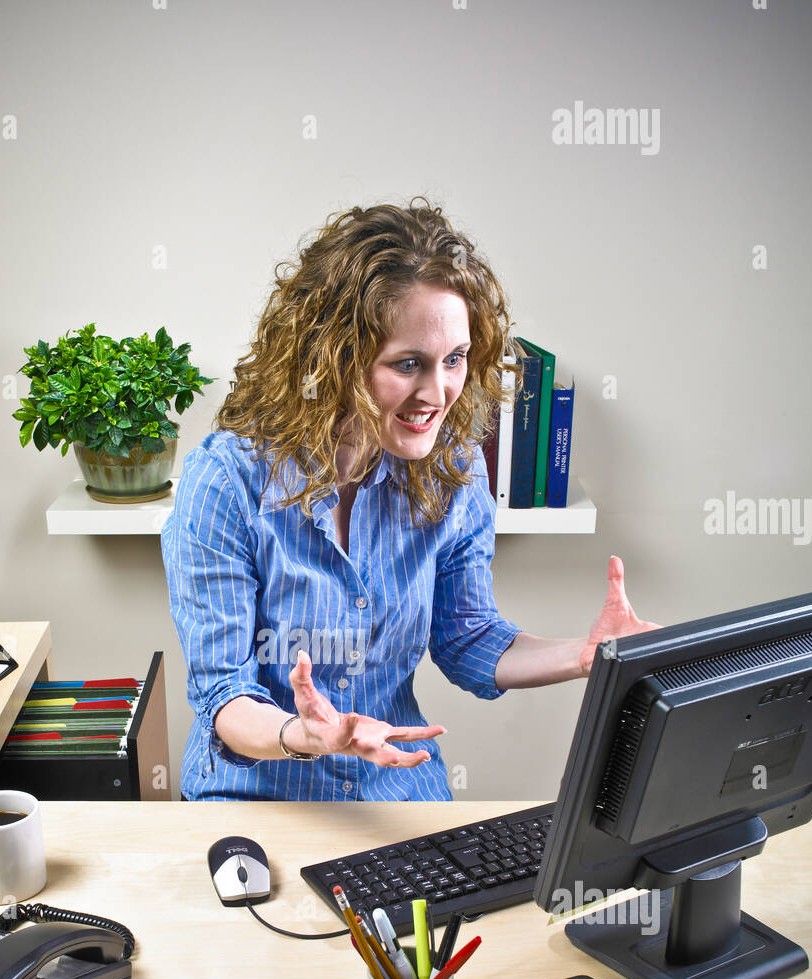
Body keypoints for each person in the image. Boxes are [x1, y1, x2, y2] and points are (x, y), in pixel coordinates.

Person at [161, 199, 656, 801]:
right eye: (408, 364)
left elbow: (468, 638)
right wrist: (306, 734)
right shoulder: (225, 483)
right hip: (259, 798)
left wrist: (584, 654)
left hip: (395, 790)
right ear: (334, 359)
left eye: (454, 360)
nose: (439, 391)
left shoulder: (455, 468)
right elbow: (225, 699)